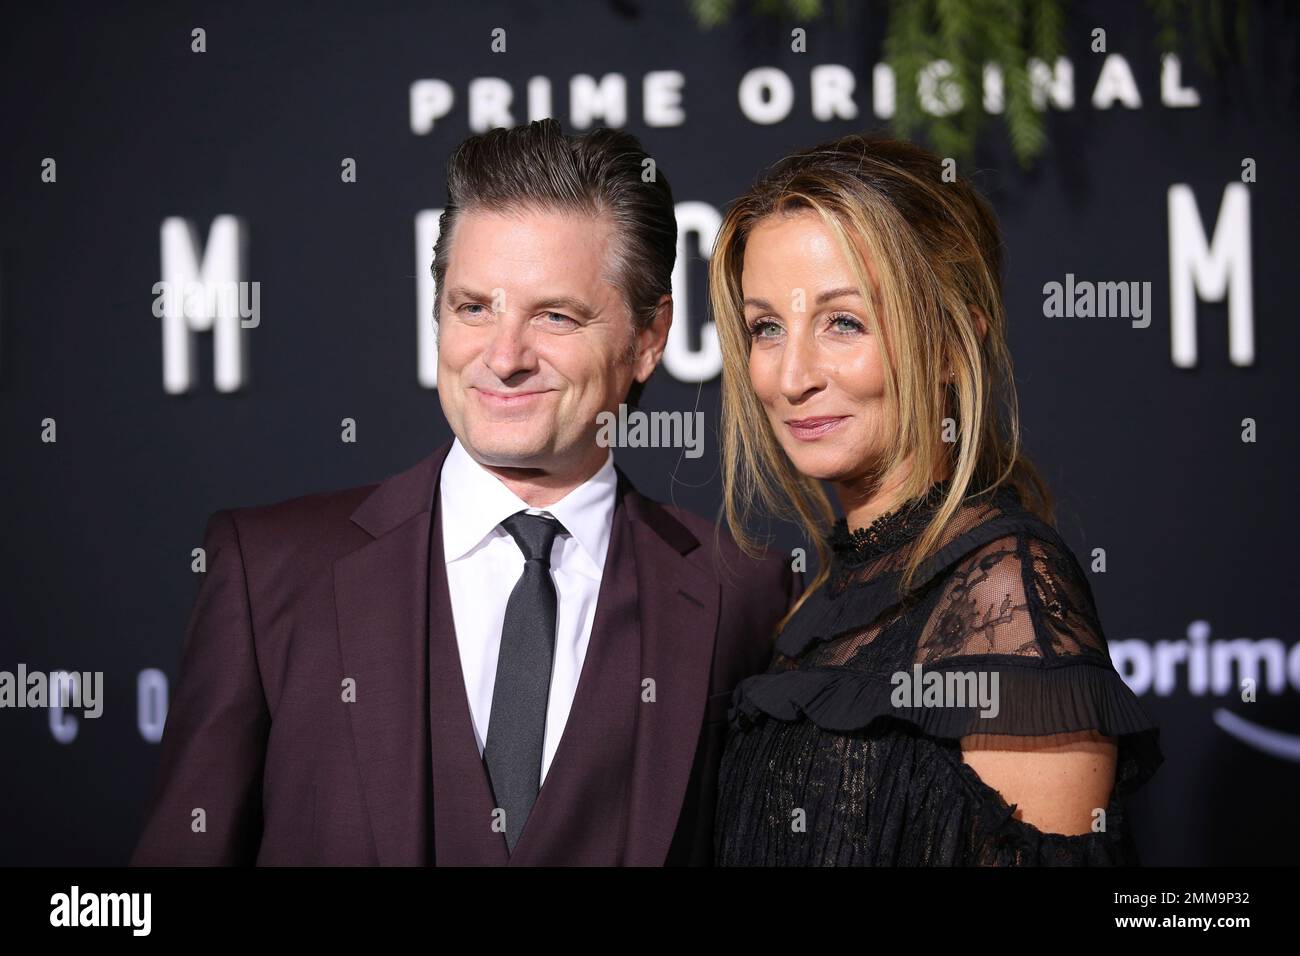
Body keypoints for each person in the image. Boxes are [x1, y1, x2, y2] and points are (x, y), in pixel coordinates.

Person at [131, 119, 798, 866]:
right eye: (474, 307)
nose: (503, 356)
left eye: (554, 315)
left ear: (649, 338)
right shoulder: (271, 573)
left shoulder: (741, 594)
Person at [709, 133, 1163, 865]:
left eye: (843, 322)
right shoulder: (815, 605)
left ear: (953, 345)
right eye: (767, 327)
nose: (790, 376)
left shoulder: (1009, 592)